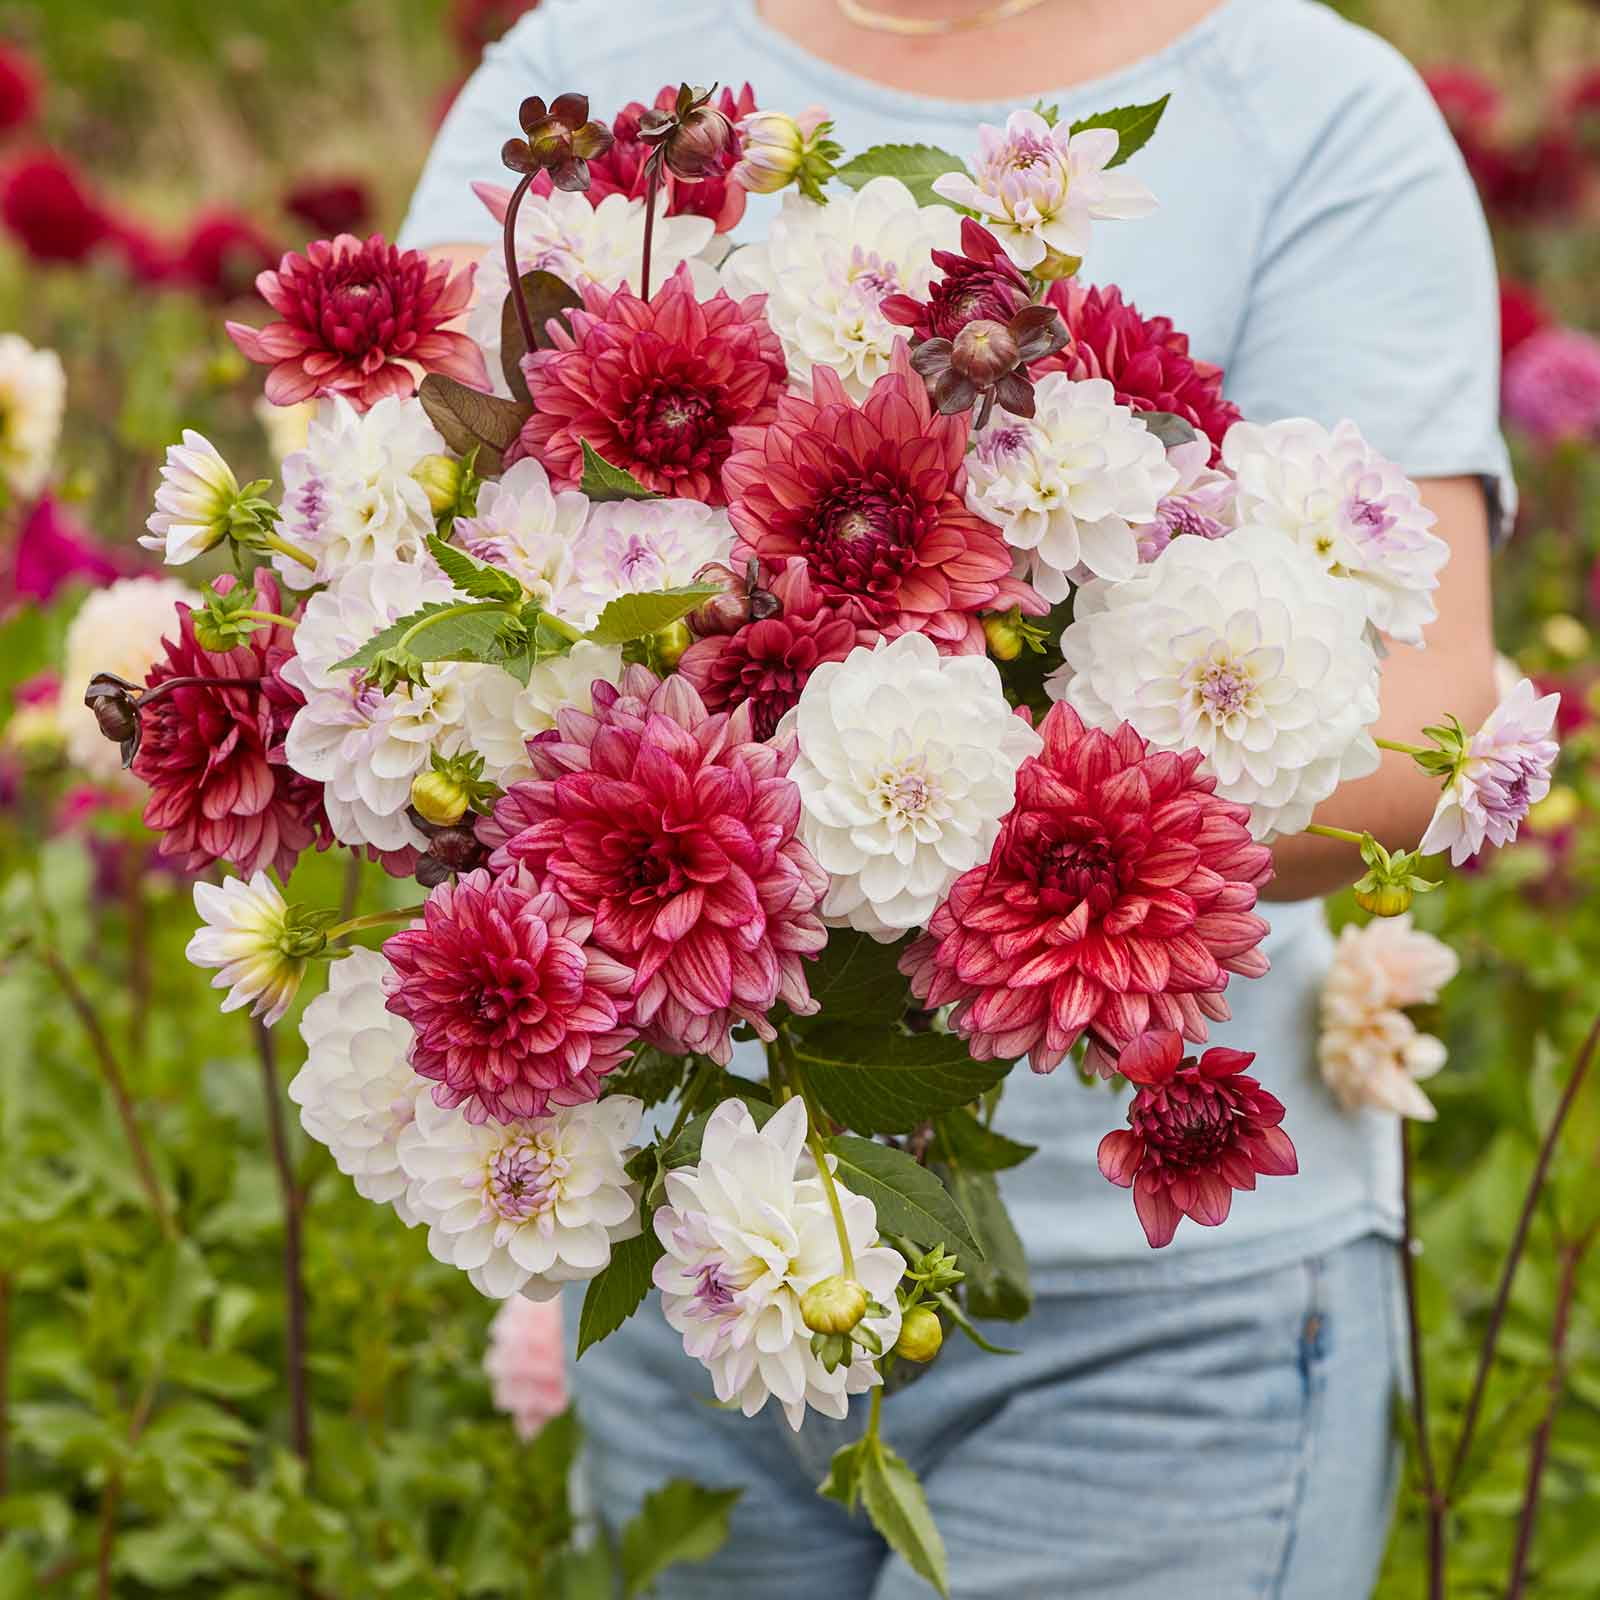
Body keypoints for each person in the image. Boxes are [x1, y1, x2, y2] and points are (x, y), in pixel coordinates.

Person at [398, 1, 1505, 1594]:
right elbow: (390, 564)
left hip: (1156, 1334)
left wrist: (1003, 857)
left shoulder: (1311, 105)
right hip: (709, 1265)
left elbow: (1423, 716)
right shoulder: (595, 67)